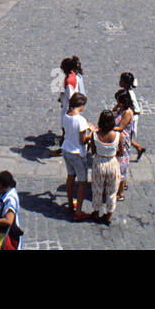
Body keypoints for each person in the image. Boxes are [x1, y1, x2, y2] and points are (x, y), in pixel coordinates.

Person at [89, 109, 124, 225]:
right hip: (112, 163)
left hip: (99, 162)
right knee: (112, 190)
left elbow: (93, 151)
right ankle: (108, 215)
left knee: (97, 189)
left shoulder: (95, 135)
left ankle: (95, 212)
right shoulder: (118, 135)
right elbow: (121, 152)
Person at [62, 92, 92, 221]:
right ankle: (78, 211)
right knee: (82, 182)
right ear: (80, 105)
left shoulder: (66, 116)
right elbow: (83, 140)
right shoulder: (81, 120)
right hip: (77, 153)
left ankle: (70, 204)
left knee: (70, 177)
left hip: (66, 150)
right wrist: (91, 131)